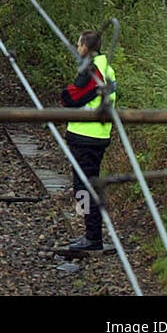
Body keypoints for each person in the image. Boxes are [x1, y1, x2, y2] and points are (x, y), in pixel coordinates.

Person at [61, 29, 117, 252]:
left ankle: (92, 236)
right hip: (94, 135)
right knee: (86, 185)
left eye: (78, 44)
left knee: (84, 188)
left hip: (87, 137)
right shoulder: (105, 68)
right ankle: (90, 232)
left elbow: (70, 98)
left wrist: (65, 95)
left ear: (85, 47)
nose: (77, 48)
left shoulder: (94, 72)